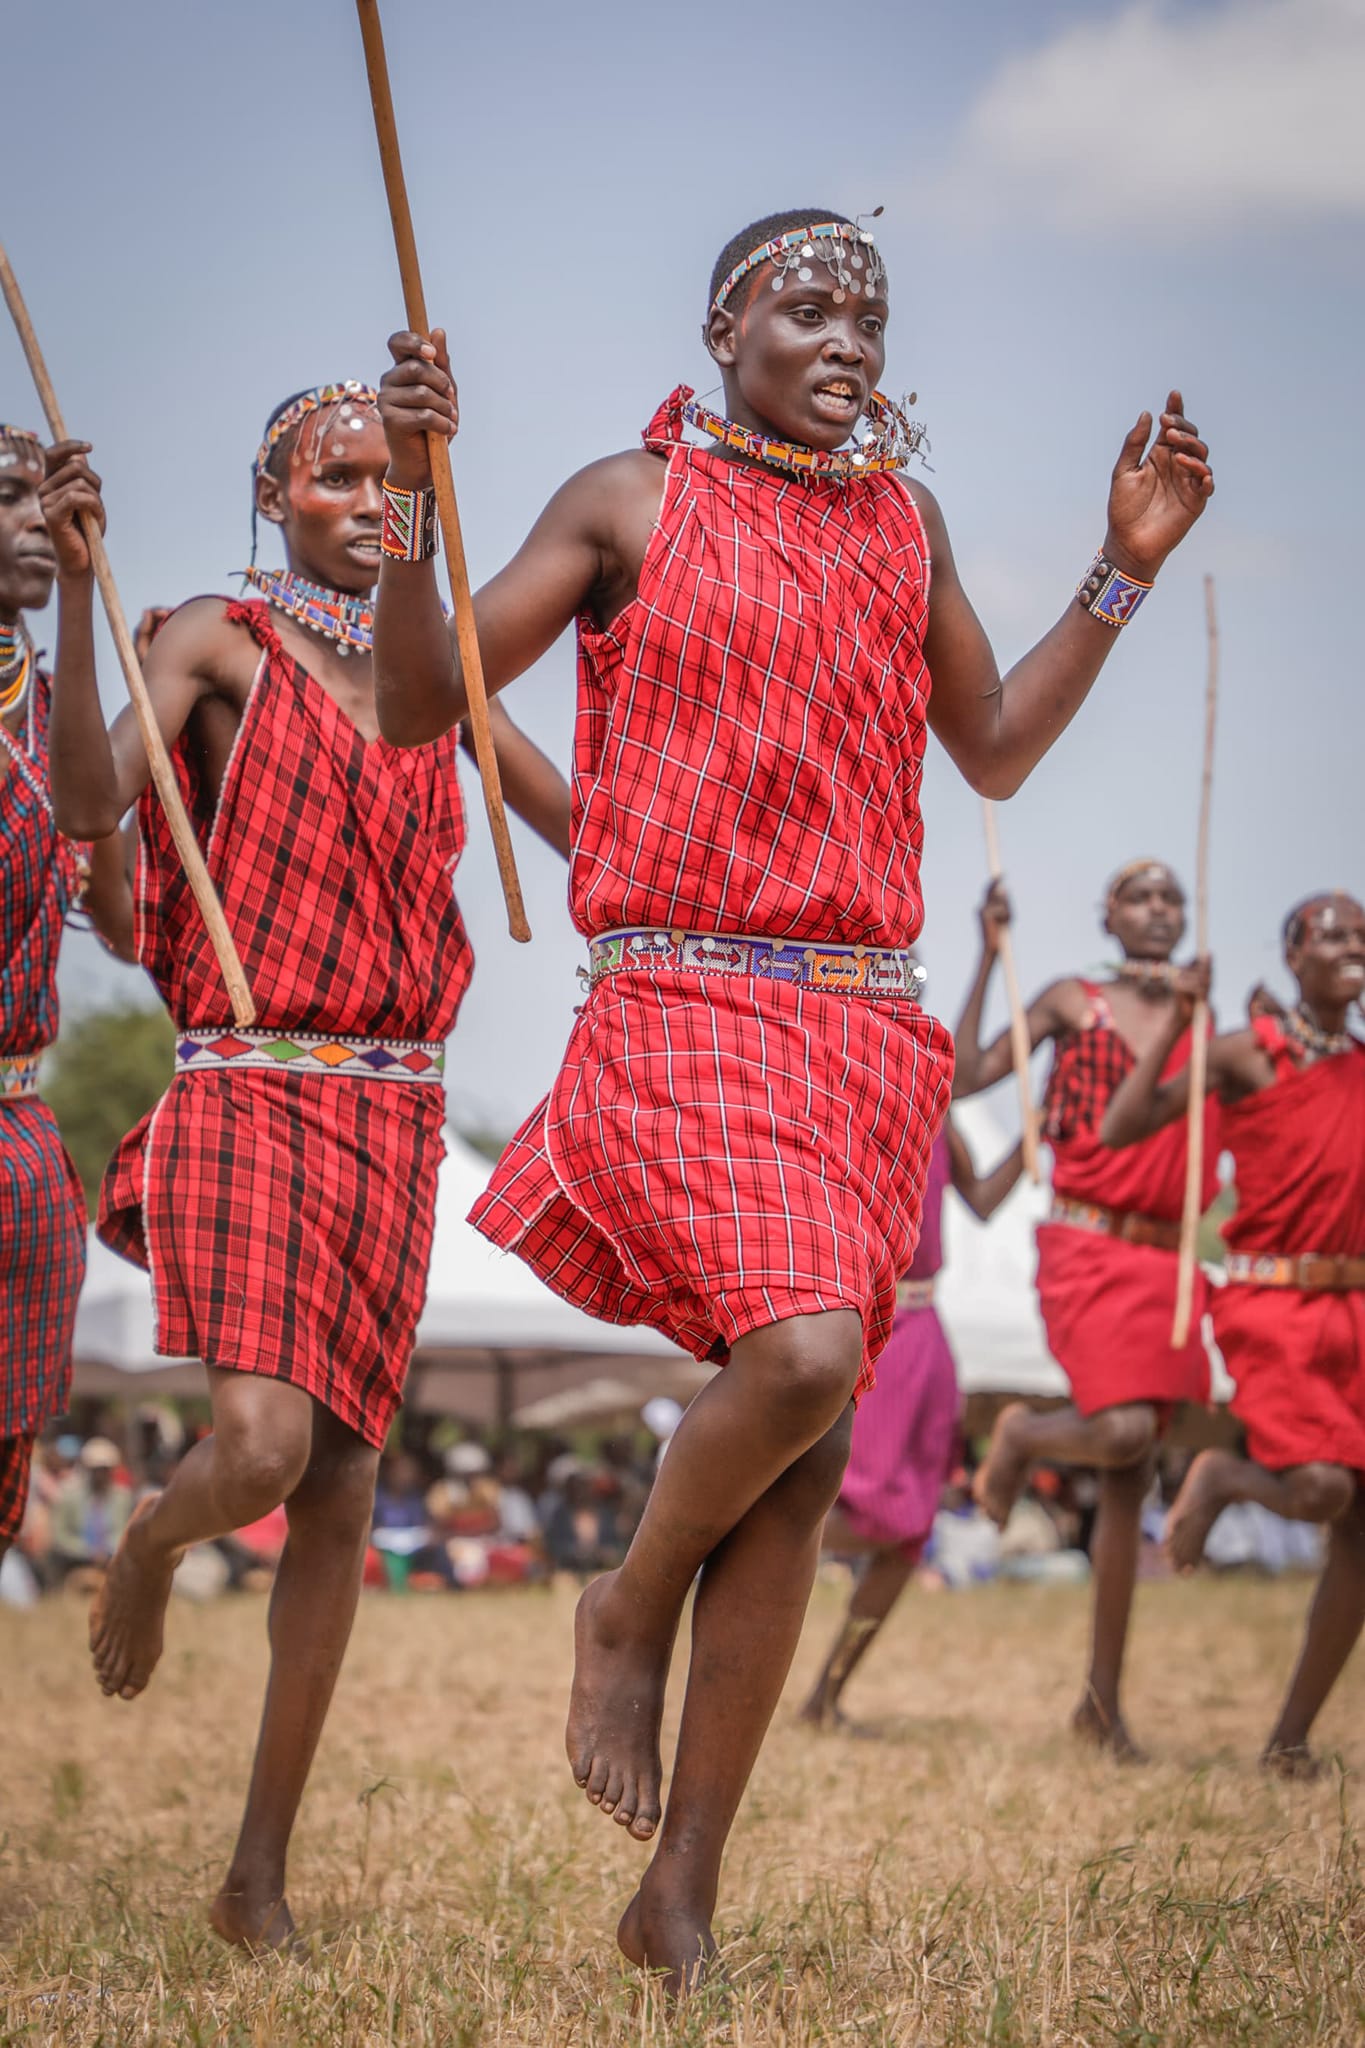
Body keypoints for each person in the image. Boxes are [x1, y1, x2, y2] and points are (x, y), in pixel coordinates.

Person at [371, 209, 1213, 1989]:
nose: (849, 333)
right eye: (809, 303)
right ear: (724, 321)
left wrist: (1121, 569)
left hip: (859, 1028)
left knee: (811, 1453)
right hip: (680, 998)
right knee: (814, 1359)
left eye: (873, 312)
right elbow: (413, 694)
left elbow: (989, 745)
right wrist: (425, 486)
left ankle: (680, 1886)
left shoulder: (904, 525)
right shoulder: (630, 497)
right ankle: (624, 1601)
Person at [45, 381, 571, 1951]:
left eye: (387, 476)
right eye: (334, 476)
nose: (364, 499)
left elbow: (588, 830)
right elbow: (86, 800)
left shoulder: (438, 670)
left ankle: (256, 1876)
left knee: (341, 1491)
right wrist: (81, 592)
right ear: (275, 496)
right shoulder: (213, 637)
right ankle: (148, 1540)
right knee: (264, 1455)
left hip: (395, 1114)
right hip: (249, 1085)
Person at [953, 862, 1219, 1758]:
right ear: (1107, 917)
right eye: (1139, 898)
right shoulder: (1072, 1001)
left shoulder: (1207, 1015)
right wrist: (990, 958)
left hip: (1169, 1257)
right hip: (1088, 1242)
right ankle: (1023, 1433)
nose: (1158, 911)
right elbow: (962, 1079)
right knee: (1116, 1435)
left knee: (1131, 1466)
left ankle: (1100, 1705)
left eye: (1171, 899)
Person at [1102, 893, 1365, 1773]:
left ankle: (1288, 1741)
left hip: (1356, 1311)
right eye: (1331, 933)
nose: (1351, 944)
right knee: (1321, 1488)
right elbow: (1123, 1125)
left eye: (1361, 933)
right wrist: (1182, 1020)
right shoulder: (1246, 1054)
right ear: (1292, 955)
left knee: (1359, 1529)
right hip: (1271, 1306)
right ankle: (1218, 1475)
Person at [1, 424, 135, 1566]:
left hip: (28, 1131)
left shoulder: (57, 713)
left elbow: (128, 926)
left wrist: (92, 611)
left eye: (47, 500)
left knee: (5, 1467)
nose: (33, 525)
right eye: (4, 499)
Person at [800, 1118, 1023, 1730]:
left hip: (926, 1329)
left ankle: (826, 1696)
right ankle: (729, 1537)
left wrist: (1031, 1137)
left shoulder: (940, 1114)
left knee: (911, 1531)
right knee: (873, 1512)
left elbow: (979, 1200)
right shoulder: (846, 1097)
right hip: (867, 1317)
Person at [48, 1436, 133, 1583]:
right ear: (87, 1469)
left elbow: (126, 1531)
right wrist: (88, 1552)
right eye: (96, 1470)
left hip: (113, 1559)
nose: (100, 1475)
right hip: (75, 1560)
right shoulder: (69, 1495)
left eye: (104, 1469)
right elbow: (59, 1535)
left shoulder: (123, 1497)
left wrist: (106, 1550)